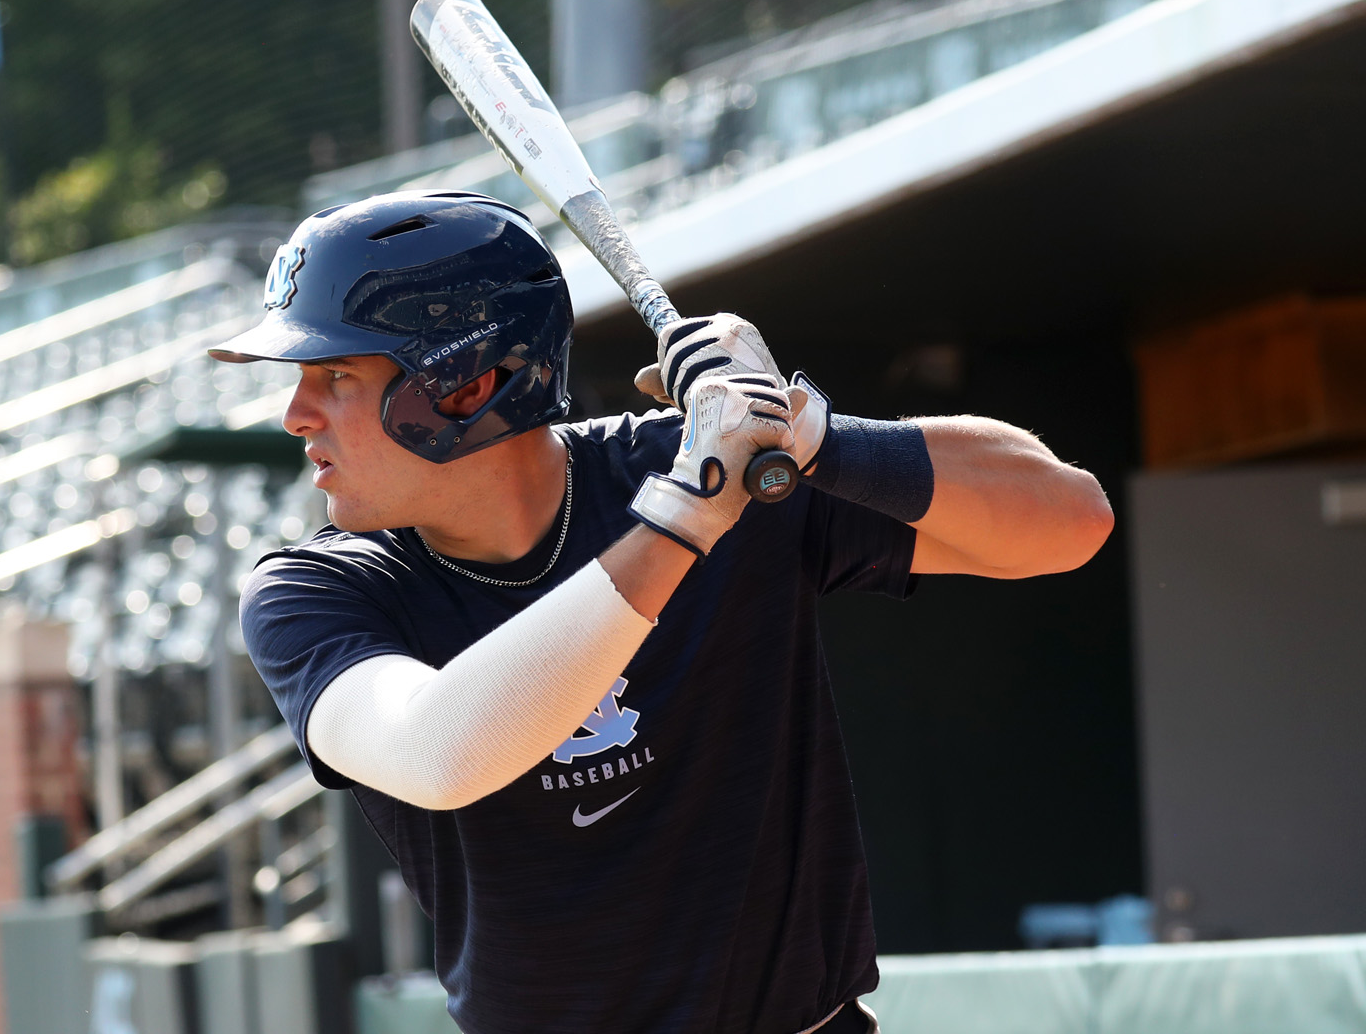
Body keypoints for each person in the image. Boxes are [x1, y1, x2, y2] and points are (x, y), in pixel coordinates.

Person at [209, 190, 1112, 1034]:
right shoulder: (317, 591)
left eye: (331, 376)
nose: (295, 416)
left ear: (465, 387)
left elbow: (1070, 524)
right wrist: (688, 512)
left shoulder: (702, 471)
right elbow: (439, 754)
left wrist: (814, 436)